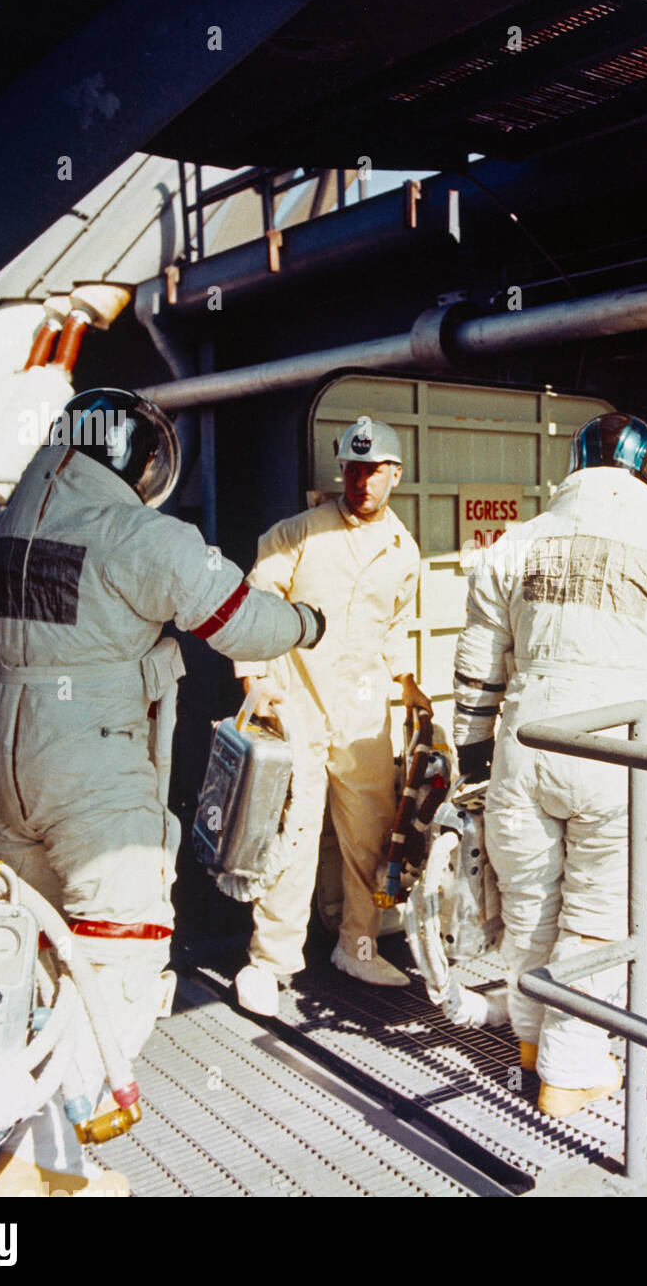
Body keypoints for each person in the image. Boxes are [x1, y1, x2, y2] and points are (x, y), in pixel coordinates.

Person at [0, 388, 323, 1196]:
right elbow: (241, 624)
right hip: (90, 749)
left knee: (35, 954)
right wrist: (306, 623)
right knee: (122, 949)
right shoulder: (134, 533)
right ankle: (49, 1162)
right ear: (132, 459)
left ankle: (18, 1138)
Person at [453, 413, 647, 1118]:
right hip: (618, 753)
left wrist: (470, 749)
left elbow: (477, 674)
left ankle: (528, 1038)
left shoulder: (510, 548)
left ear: (575, 464)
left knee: (529, 905)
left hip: (525, 744)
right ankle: (572, 1069)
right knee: (599, 917)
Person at [230, 415, 429, 1018]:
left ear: (395, 474)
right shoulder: (296, 535)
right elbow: (252, 609)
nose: (363, 481)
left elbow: (393, 629)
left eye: (374, 471)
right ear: (341, 469)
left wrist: (411, 685)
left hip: (364, 712)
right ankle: (270, 962)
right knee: (290, 838)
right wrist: (254, 680)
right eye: (353, 469)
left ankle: (358, 947)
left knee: (371, 837)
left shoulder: (404, 550)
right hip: (298, 703)